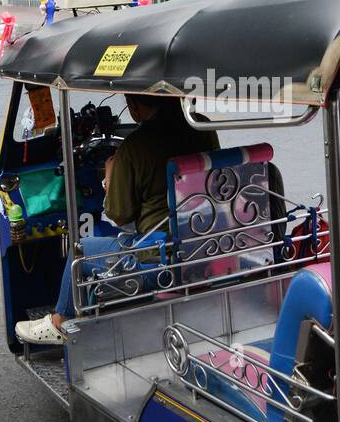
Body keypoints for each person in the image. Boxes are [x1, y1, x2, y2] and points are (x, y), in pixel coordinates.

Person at [15, 95, 218, 345]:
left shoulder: (135, 147)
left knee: (80, 251)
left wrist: (109, 178)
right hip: (207, 244)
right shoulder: (202, 127)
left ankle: (59, 323)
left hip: (160, 259)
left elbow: (119, 213)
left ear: (134, 106)